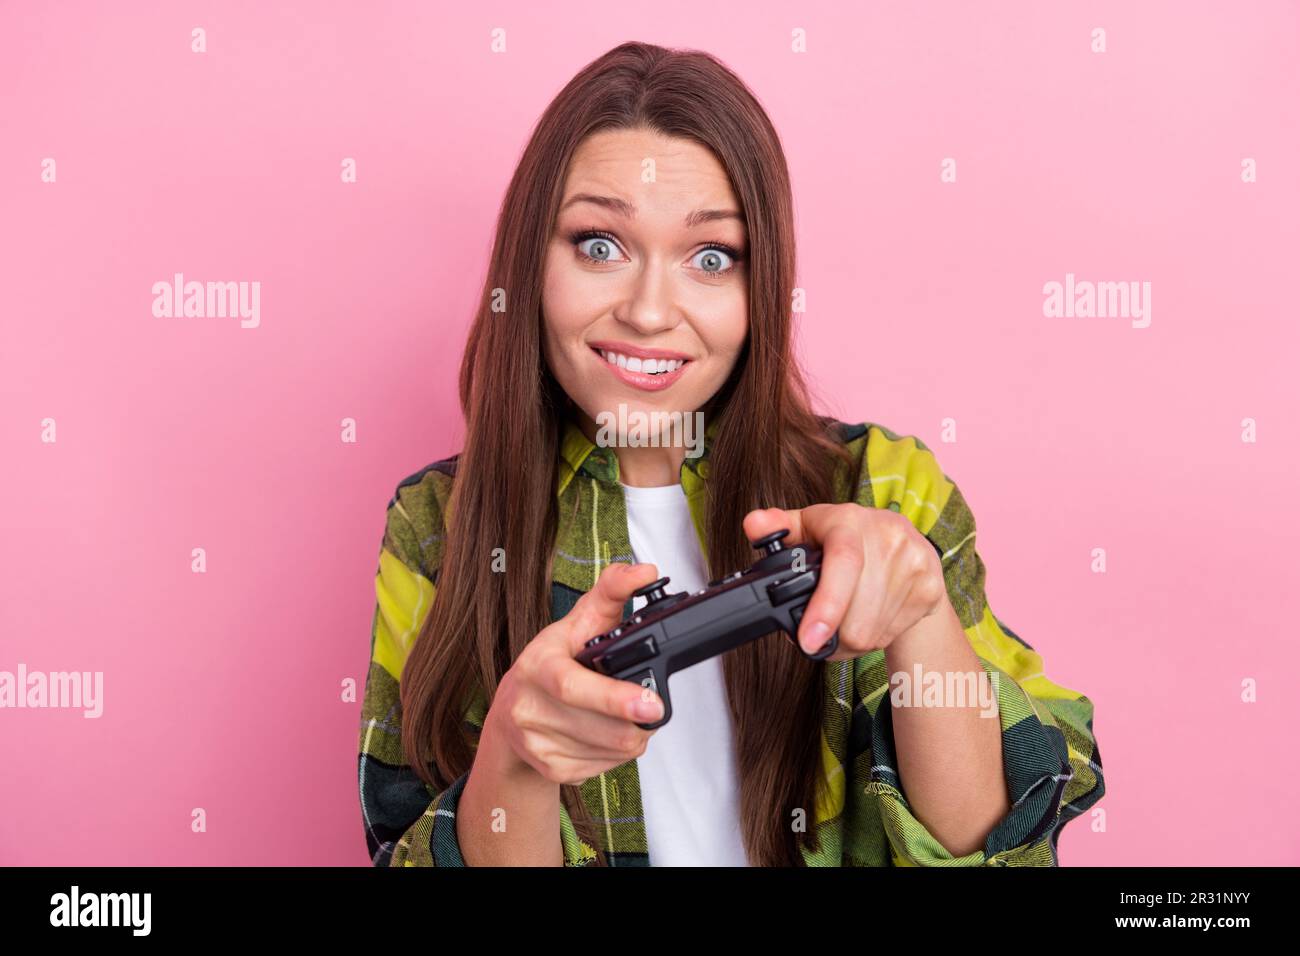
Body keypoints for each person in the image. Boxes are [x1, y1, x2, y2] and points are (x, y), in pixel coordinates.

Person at [357, 41, 1104, 867]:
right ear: (529, 262)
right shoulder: (438, 526)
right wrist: (517, 757)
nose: (649, 313)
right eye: (599, 244)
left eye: (711, 258)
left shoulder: (886, 487)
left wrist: (921, 618)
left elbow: (996, 848)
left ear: (762, 287)